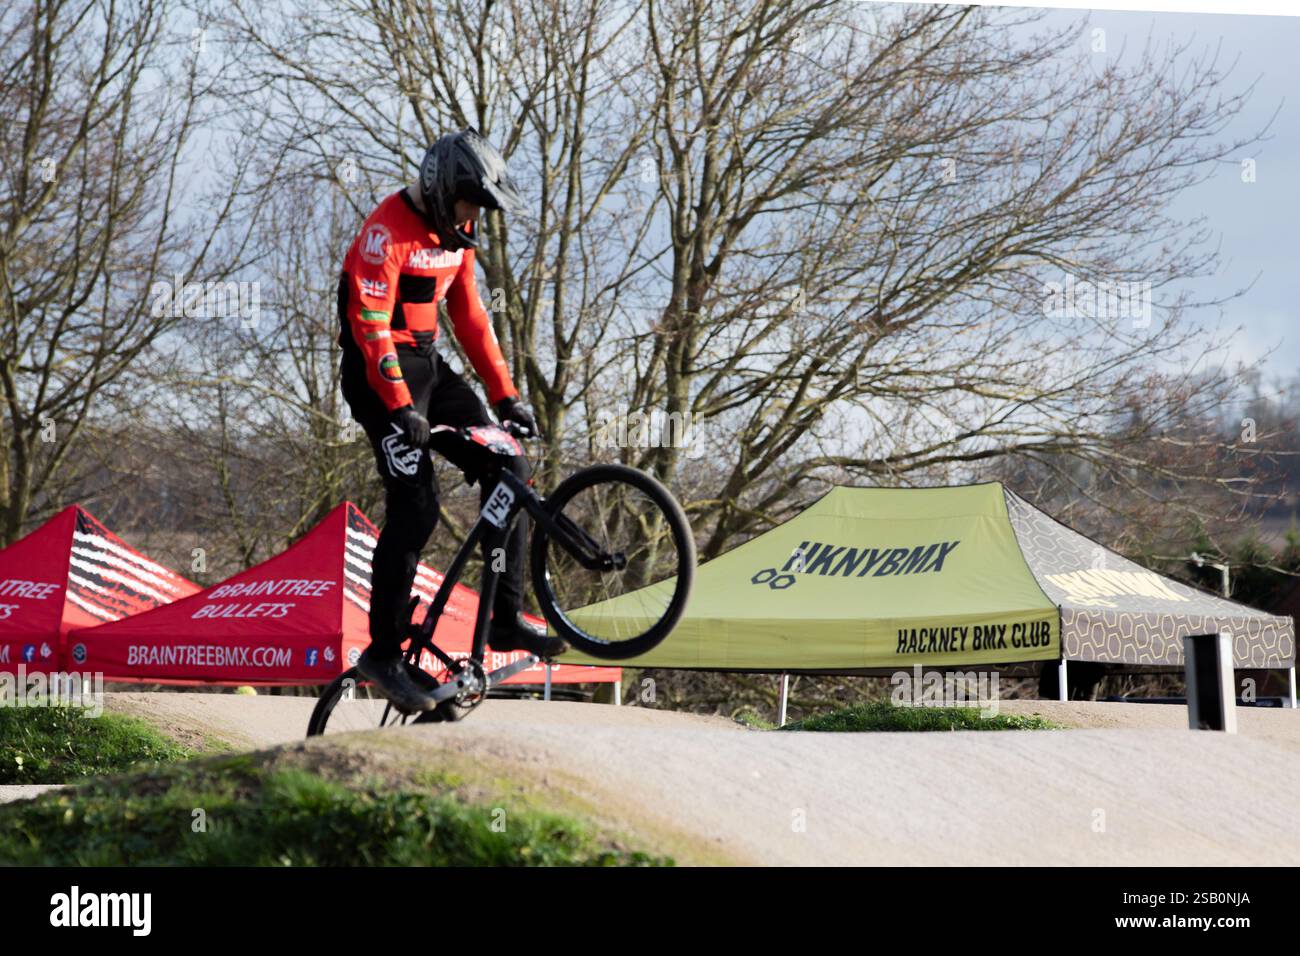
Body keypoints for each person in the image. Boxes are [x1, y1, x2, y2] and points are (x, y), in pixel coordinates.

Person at [337, 128, 567, 713]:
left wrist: (506, 395)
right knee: (416, 508)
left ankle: (505, 615)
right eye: (469, 205)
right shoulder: (385, 234)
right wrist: (399, 406)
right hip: (379, 374)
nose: (474, 219)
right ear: (442, 191)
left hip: (430, 368)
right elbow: (369, 327)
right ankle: (383, 652)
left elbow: (470, 318)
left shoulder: (458, 241)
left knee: (509, 464)